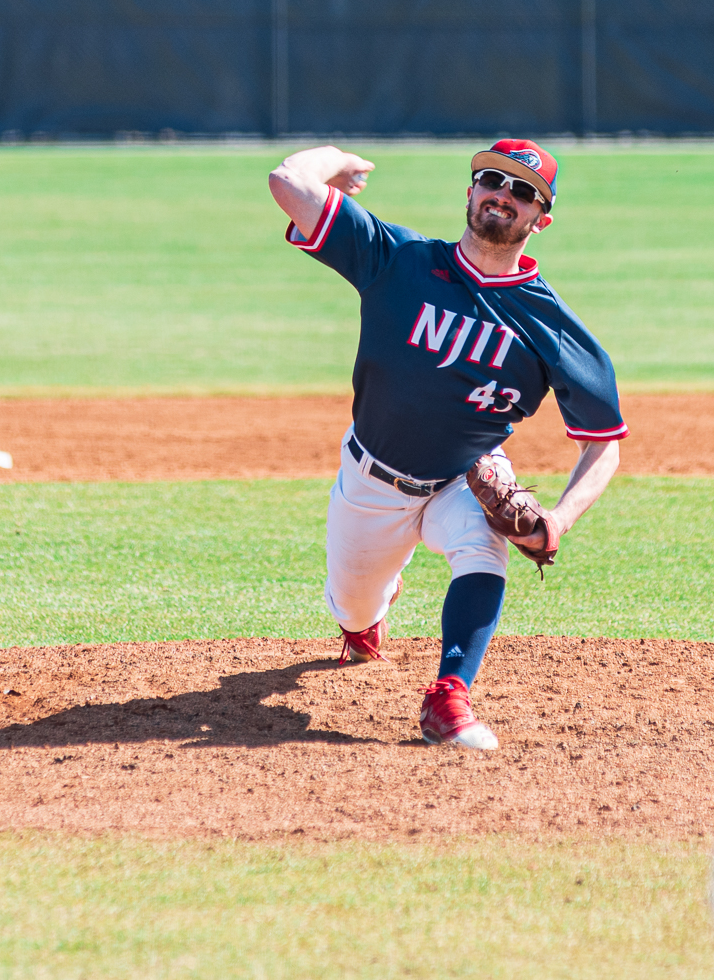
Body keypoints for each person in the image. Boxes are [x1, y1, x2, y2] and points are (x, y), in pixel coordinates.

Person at [268, 139, 626, 750]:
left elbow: (604, 444)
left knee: (487, 541)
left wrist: (559, 520)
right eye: (493, 180)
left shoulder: (553, 327)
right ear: (471, 191)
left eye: (523, 193)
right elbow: (288, 183)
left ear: (541, 218)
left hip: (468, 475)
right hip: (371, 481)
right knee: (353, 610)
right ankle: (366, 620)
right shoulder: (398, 258)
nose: (504, 196)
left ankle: (449, 697)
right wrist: (337, 158)